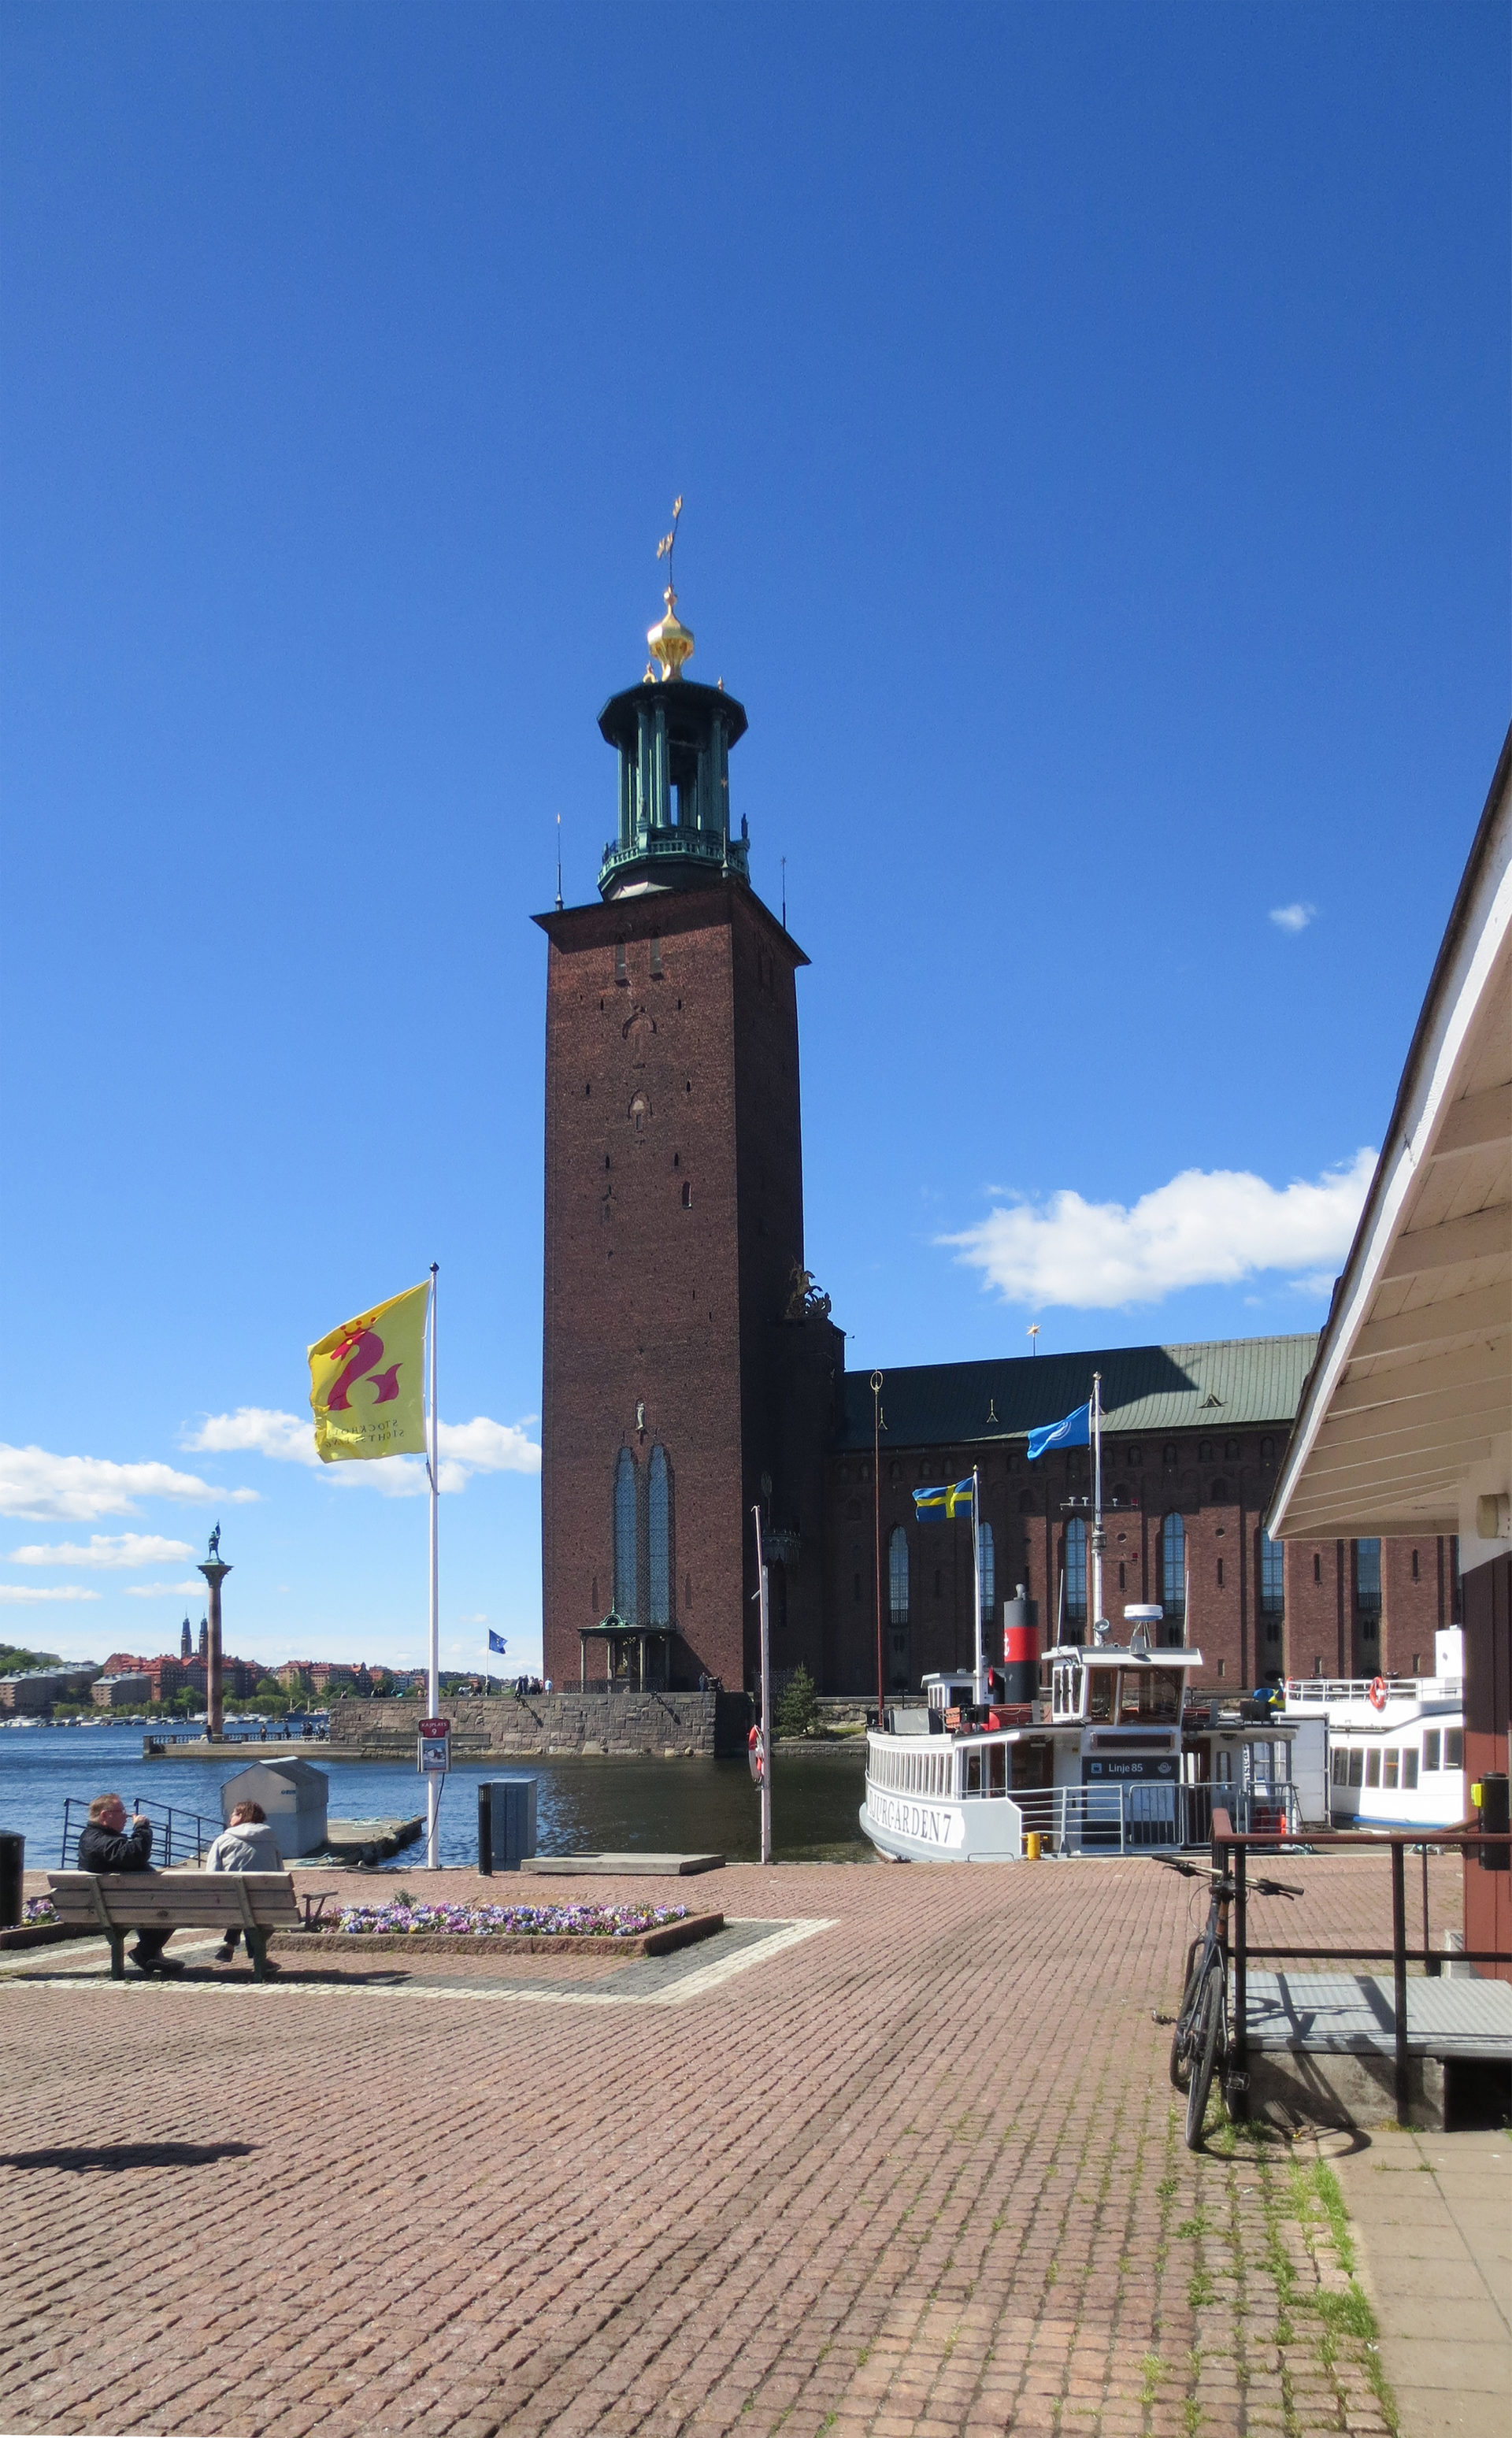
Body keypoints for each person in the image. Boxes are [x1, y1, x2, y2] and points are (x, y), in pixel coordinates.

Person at [77, 1793, 182, 1975]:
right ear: (104, 1816)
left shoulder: (92, 1838)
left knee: (159, 1899)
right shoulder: (100, 1841)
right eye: (121, 1812)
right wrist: (141, 1829)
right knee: (177, 1902)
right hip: (124, 1906)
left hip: (119, 1903)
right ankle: (146, 1951)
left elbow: (129, 1856)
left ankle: (150, 1952)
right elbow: (135, 1855)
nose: (126, 1816)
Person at [203, 1799, 283, 1968]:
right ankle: (256, 1957)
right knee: (250, 1904)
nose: (230, 1817)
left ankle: (230, 1945)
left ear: (241, 1816)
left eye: (233, 1813)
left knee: (240, 1900)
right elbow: (279, 1872)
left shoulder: (223, 1840)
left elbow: (211, 1876)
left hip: (229, 1906)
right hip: (267, 1905)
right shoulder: (271, 1838)